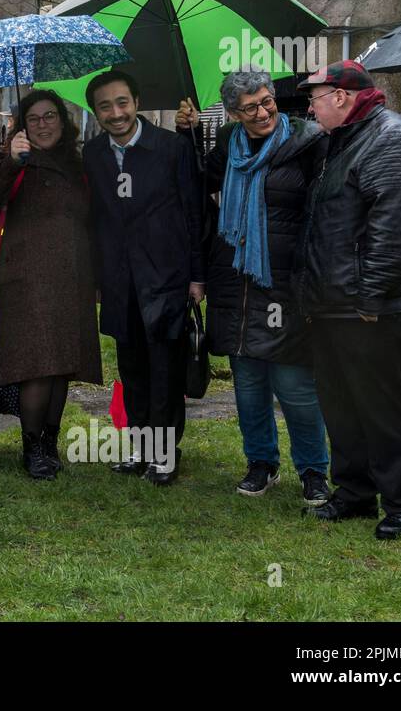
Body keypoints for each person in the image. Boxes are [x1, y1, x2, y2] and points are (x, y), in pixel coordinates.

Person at [175, 70, 331, 504]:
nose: (263, 112)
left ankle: (314, 470)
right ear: (232, 113)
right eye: (250, 107)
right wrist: (186, 135)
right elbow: (199, 187)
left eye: (266, 101)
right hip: (235, 278)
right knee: (248, 386)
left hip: (284, 280)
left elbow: (321, 211)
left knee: (296, 386)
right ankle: (261, 463)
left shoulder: (309, 142)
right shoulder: (227, 145)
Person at [298, 59, 401, 539]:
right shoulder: (341, 140)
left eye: (314, 97)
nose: (309, 106)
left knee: (383, 406)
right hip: (334, 303)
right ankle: (354, 493)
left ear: (341, 95)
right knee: (341, 404)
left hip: (372, 307)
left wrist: (370, 299)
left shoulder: (391, 138)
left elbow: (396, 229)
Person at [83, 69, 203, 485]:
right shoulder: (93, 154)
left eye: (121, 102)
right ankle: (139, 446)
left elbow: (194, 213)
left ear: (136, 101)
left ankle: (165, 453)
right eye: (104, 106)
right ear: (95, 112)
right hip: (118, 279)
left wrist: (197, 276)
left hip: (165, 275)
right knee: (131, 365)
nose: (115, 113)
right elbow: (95, 218)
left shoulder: (171, 148)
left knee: (165, 368)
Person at [0, 90, 101, 479]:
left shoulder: (78, 164)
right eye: (34, 118)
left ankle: (50, 442)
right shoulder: (14, 159)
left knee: (62, 363)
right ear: (23, 124)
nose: (43, 124)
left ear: (62, 122)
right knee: (37, 363)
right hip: (27, 277)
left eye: (50, 116)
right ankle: (31, 447)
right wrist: (12, 162)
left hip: (72, 275)